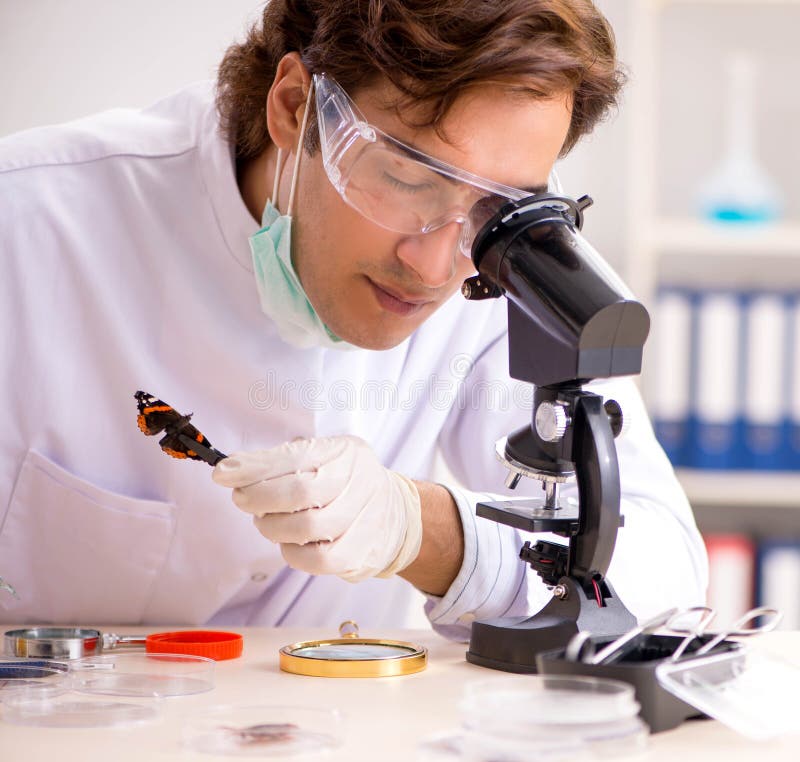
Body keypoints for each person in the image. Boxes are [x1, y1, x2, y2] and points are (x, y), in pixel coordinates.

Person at [0, 0, 707, 635]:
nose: (435, 267)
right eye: (406, 179)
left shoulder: (498, 260)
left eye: (495, 207)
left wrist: (425, 532)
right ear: (293, 107)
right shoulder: (26, 228)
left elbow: (663, 570)